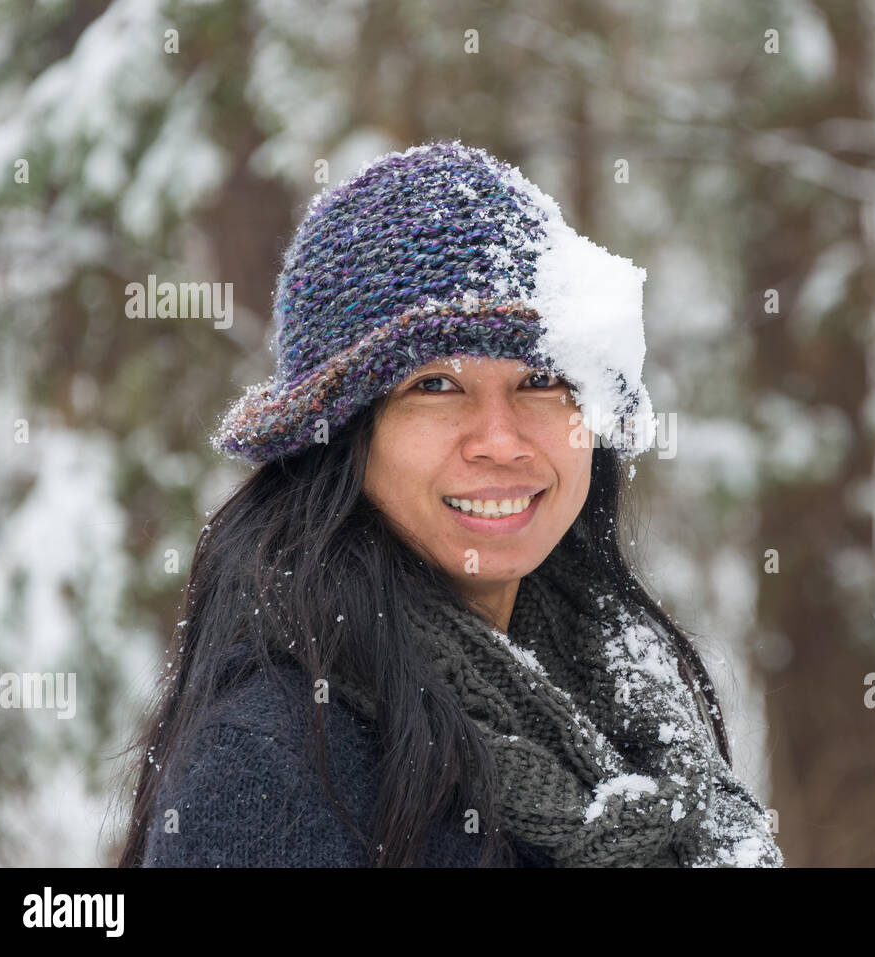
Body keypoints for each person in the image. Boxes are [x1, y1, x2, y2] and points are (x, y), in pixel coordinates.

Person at [116, 139, 784, 867]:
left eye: (540, 380)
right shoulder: (271, 763)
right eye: (434, 384)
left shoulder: (626, 704)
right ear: (341, 434)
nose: (501, 440)